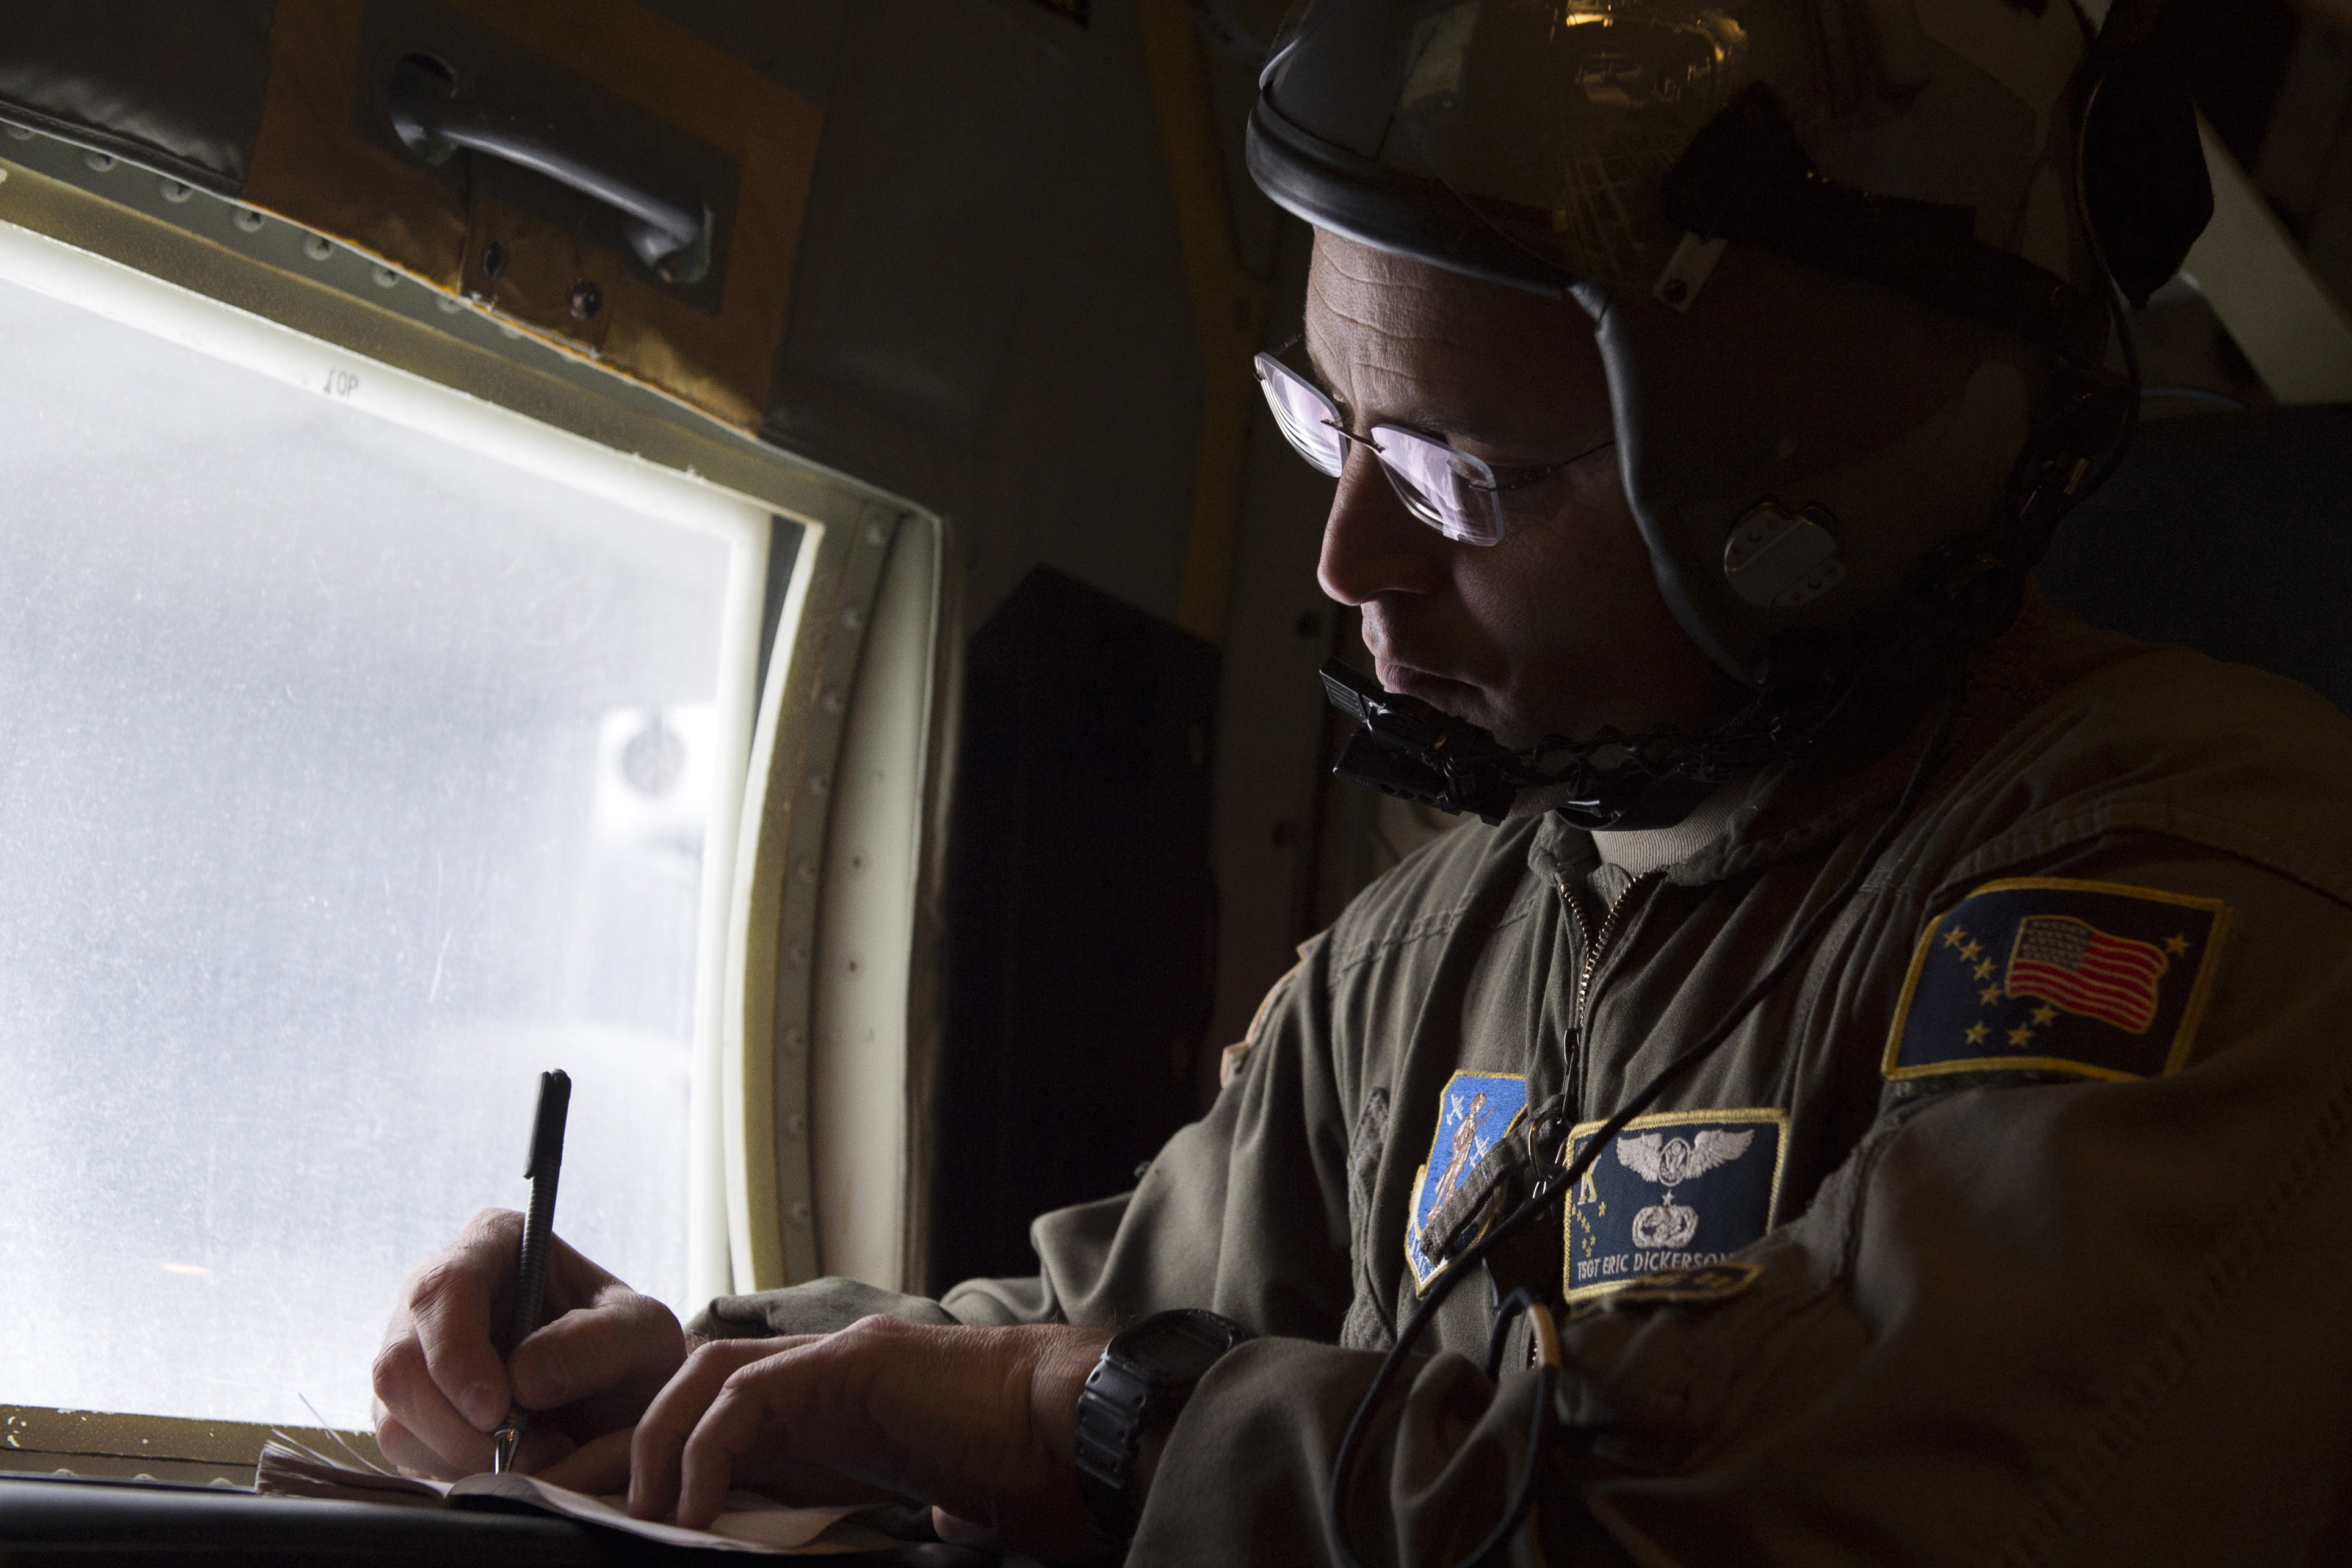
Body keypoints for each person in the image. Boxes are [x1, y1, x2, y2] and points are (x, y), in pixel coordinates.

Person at [372, 1, 2352, 1561]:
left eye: (1457, 480)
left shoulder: (2196, 886)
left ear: (1809, 500)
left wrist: (1055, 1420)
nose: (1348, 558)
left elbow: (1786, 1525)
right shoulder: (1444, 944)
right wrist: (705, 1361)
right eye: (1323, 419)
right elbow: (1097, 1318)